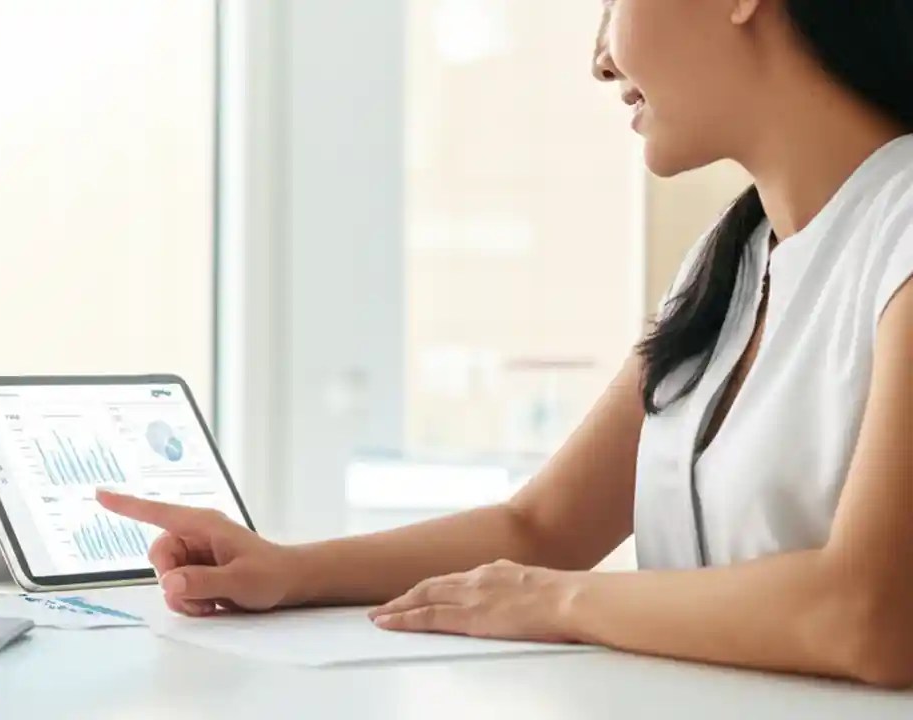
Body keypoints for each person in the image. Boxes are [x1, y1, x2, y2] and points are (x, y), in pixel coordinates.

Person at [99, 0, 913, 688]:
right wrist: (288, 570)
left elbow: (872, 613)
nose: (600, 57)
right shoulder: (730, 262)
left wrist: (559, 602)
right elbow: (540, 528)